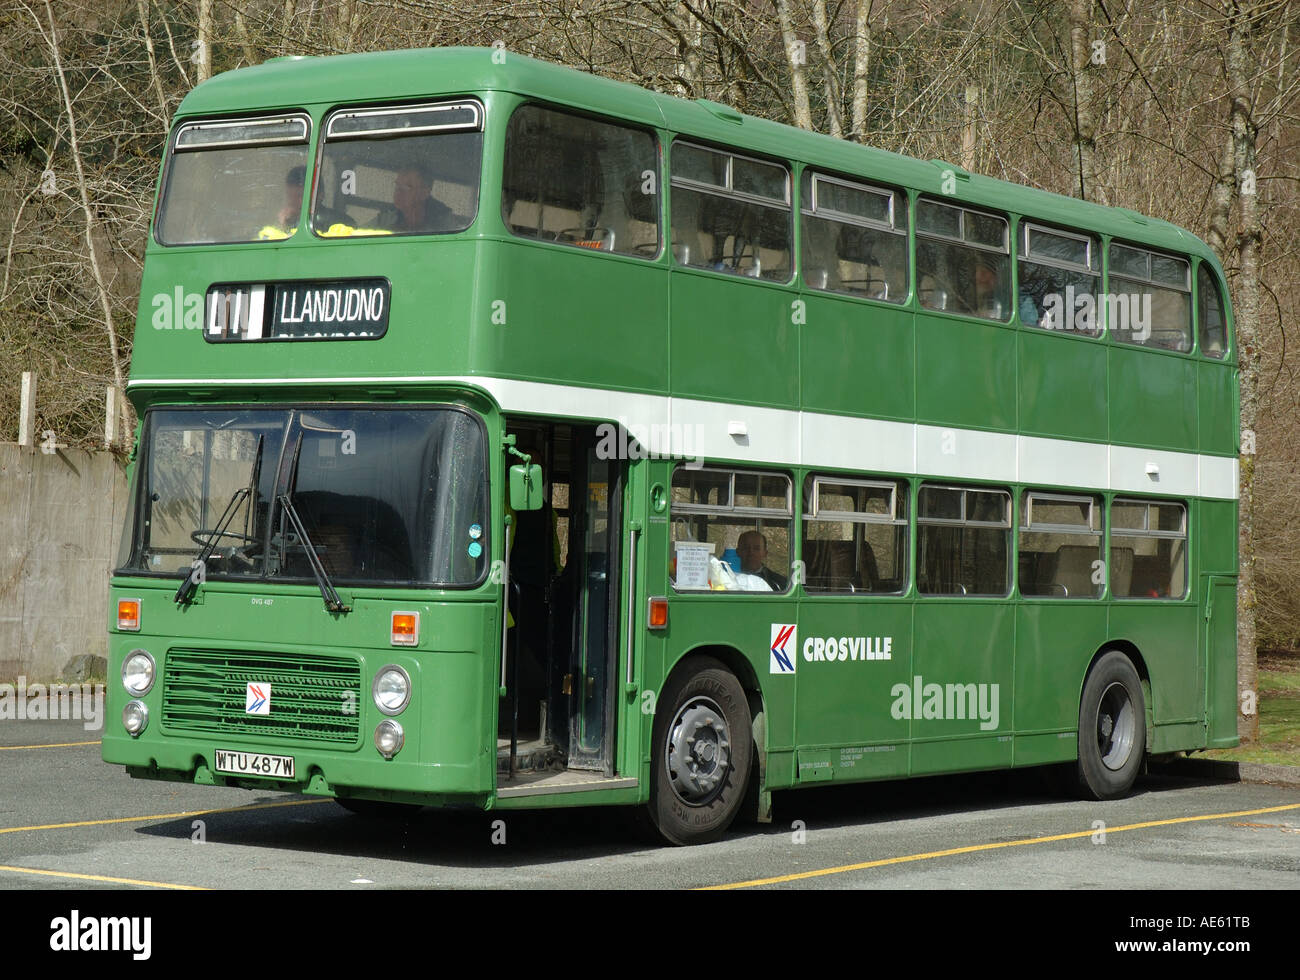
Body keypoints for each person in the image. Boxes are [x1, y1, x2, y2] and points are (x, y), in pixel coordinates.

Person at [376, 164, 457, 233]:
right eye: (397, 186)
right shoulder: (385, 218)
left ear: (424, 193)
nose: (398, 192)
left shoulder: (443, 222)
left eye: (406, 187)